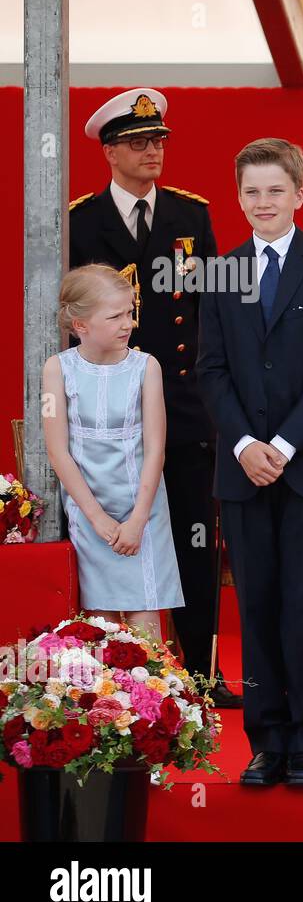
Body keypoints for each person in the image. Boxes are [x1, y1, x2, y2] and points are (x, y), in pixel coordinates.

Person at [68, 88, 239, 709]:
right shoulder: (80, 221)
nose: (153, 152)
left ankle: (200, 670)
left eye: (159, 141)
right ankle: (109, 669)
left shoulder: (191, 217)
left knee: (196, 535)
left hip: (185, 401)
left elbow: (216, 307)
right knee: (109, 533)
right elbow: (67, 318)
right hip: (108, 408)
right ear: (110, 152)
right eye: (139, 143)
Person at [196, 138, 303, 786]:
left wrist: (285, 445)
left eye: (275, 190)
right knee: (256, 603)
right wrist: (243, 445)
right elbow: (210, 371)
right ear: (238, 198)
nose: (262, 203)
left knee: (302, 600)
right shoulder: (220, 270)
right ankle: (265, 739)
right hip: (242, 469)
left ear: (299, 194)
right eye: (251, 192)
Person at [42, 265, 184, 640]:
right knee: (98, 630)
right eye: (116, 316)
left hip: (143, 508)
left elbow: (155, 450)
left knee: (148, 633)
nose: (128, 324)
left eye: (130, 312)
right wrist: (97, 518)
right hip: (89, 511)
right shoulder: (57, 370)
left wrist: (137, 521)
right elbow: (58, 451)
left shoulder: (146, 367)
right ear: (81, 325)